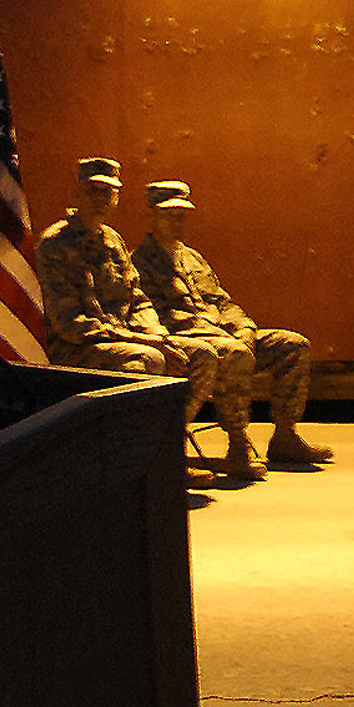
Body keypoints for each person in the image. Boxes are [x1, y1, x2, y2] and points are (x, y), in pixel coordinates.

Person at [40, 158, 265, 481]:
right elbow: (71, 324)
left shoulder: (113, 241)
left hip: (130, 339)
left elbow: (139, 301)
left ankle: (163, 449)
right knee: (147, 360)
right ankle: (138, 461)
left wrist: (161, 336)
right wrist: (148, 341)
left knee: (200, 355)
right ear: (77, 193)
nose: (102, 199)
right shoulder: (56, 244)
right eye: (94, 191)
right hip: (80, 346)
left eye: (109, 192)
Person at [131, 178, 335, 472]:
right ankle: (238, 445)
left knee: (293, 345)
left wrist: (244, 327)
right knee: (235, 353)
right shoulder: (140, 262)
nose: (177, 222)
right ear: (152, 214)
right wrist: (219, 331)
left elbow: (223, 301)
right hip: (190, 344)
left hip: (226, 335)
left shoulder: (192, 258)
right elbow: (157, 314)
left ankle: (285, 437)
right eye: (169, 215)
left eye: (182, 216)